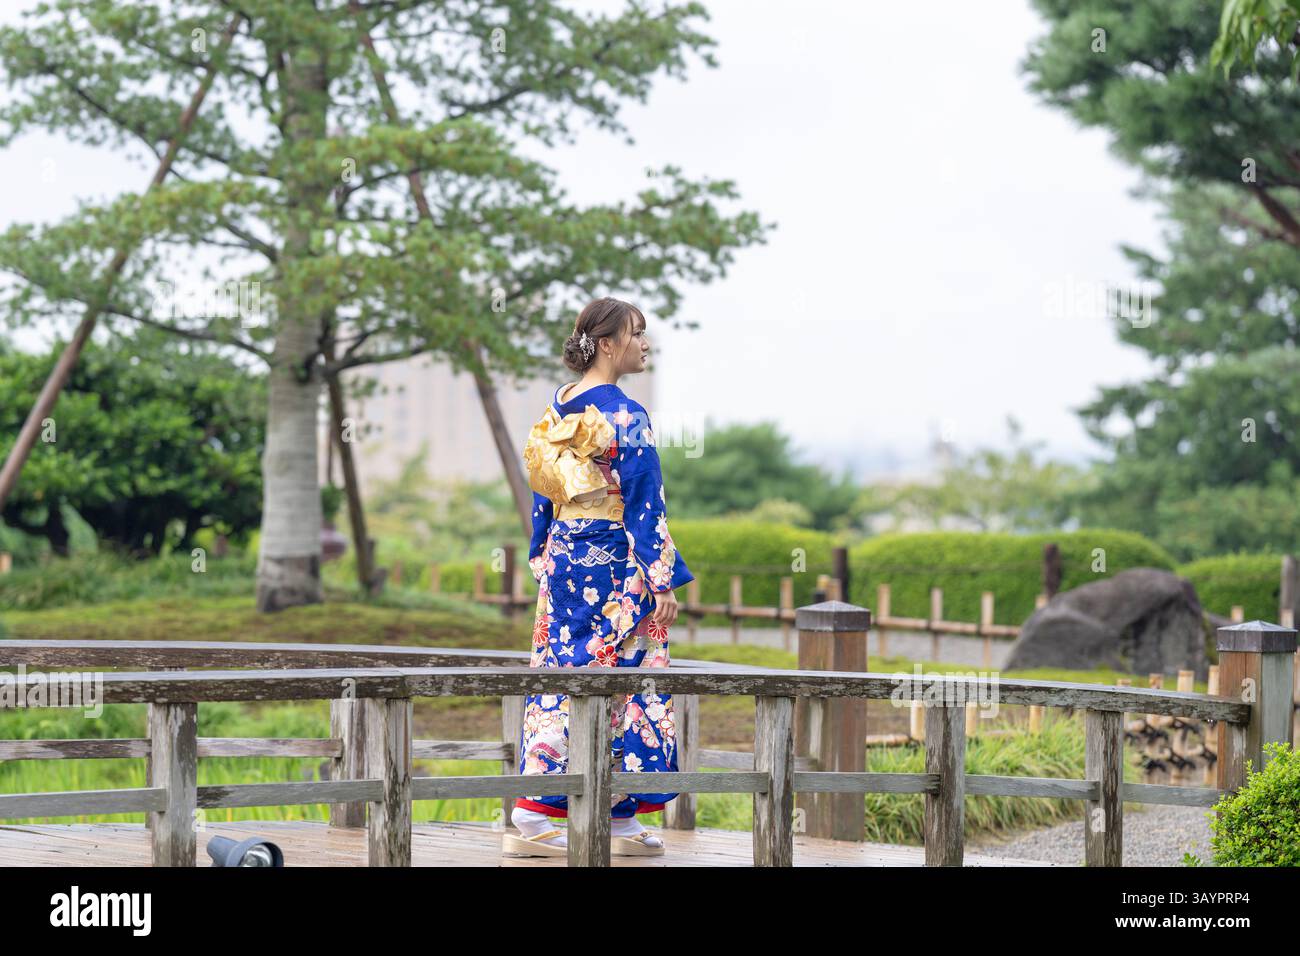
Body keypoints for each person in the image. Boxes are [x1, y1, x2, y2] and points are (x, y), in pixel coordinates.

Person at [503, 296, 694, 858]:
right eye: (636, 333)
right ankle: (539, 812)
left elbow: (545, 490)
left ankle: (612, 813)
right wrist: (660, 578)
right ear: (607, 343)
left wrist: (543, 552)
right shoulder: (624, 413)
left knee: (564, 671)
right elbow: (643, 501)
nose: (645, 343)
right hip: (613, 564)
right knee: (625, 676)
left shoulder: (557, 407)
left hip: (565, 558)